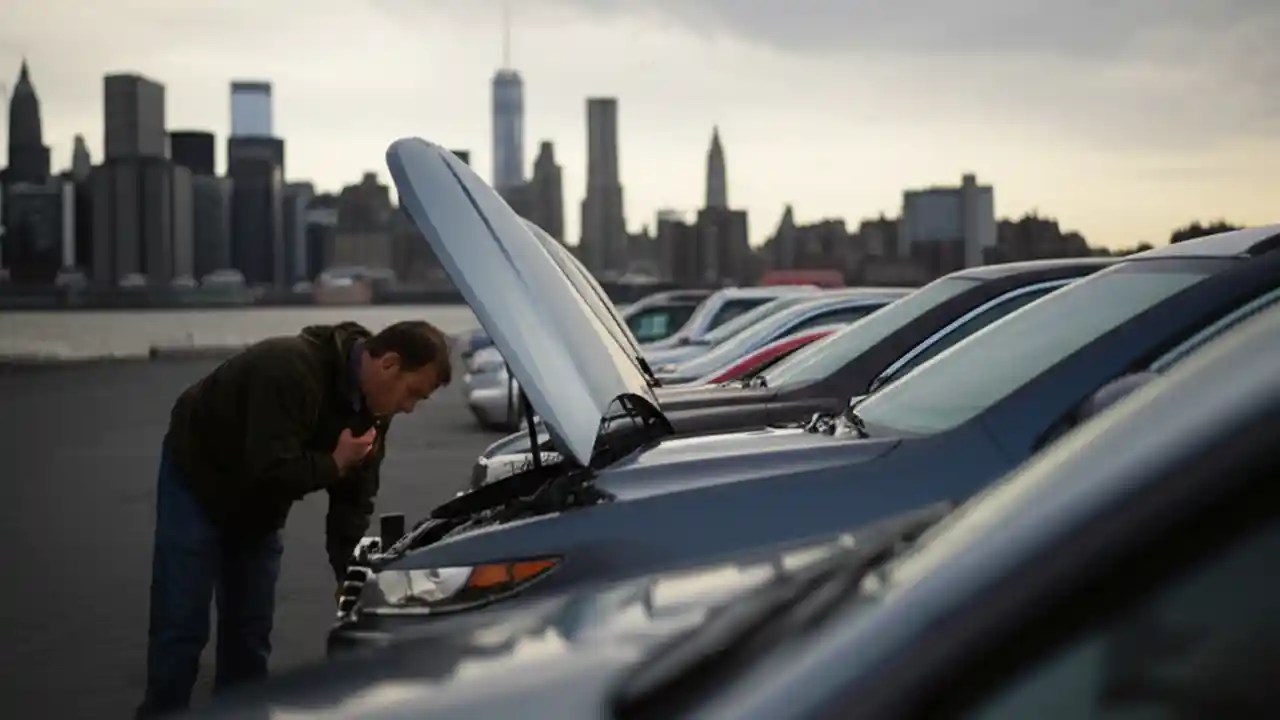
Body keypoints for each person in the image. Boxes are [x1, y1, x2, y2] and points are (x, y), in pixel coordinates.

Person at [136, 320, 452, 717]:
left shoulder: (372, 409)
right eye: (413, 394)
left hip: (260, 507)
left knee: (249, 635)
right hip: (199, 481)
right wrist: (335, 463)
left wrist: (350, 582)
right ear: (389, 364)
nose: (408, 407)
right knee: (181, 630)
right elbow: (267, 468)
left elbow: (353, 503)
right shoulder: (288, 369)